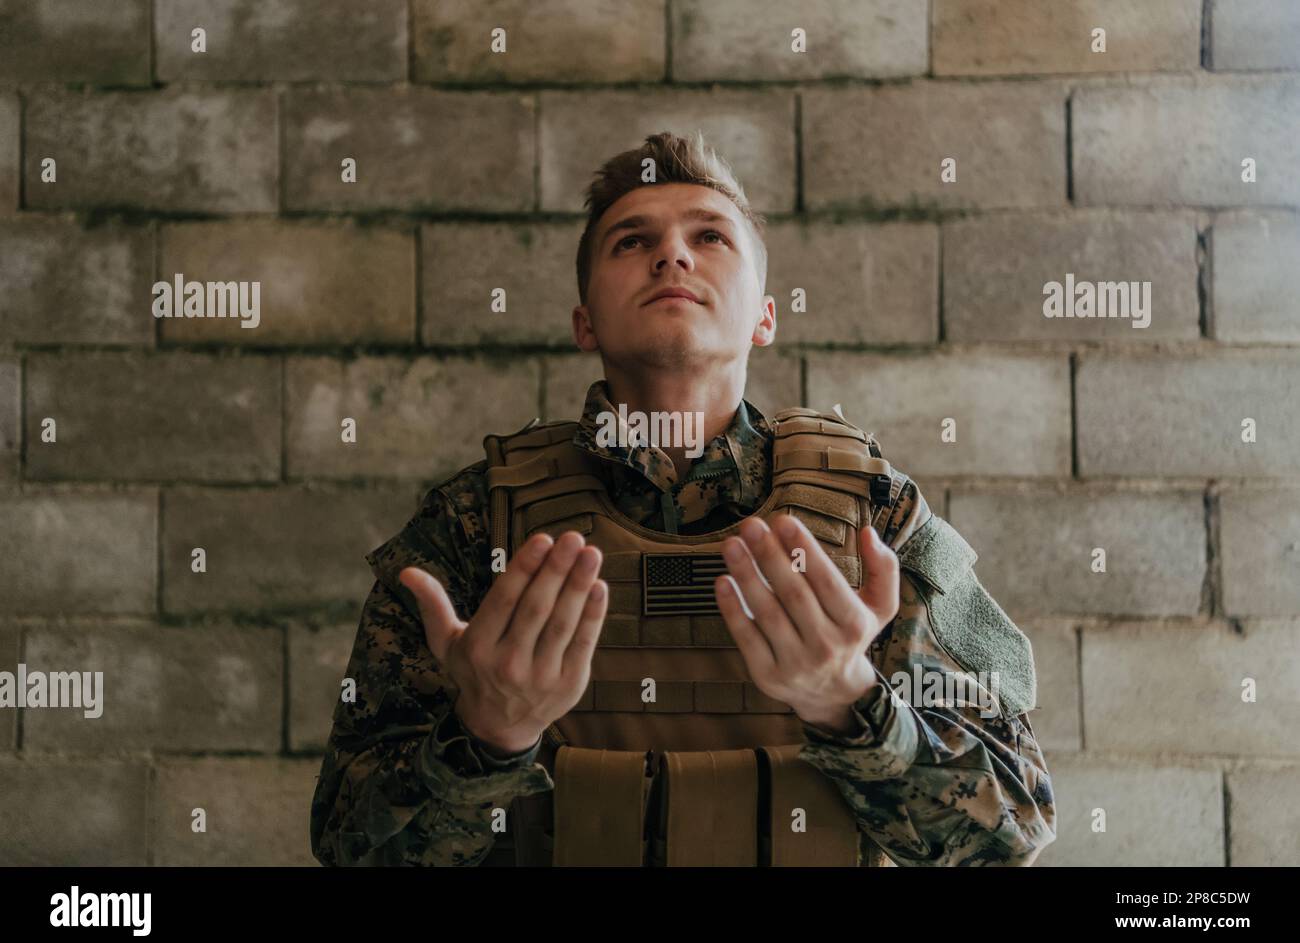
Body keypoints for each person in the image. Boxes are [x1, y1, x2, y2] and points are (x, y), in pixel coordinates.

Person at [309, 130, 1056, 867]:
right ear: (584, 322)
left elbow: (1012, 830)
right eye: (632, 241)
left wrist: (852, 704)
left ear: (765, 316)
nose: (673, 255)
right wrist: (486, 736)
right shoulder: (475, 522)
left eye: (710, 237)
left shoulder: (874, 514)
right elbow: (351, 846)